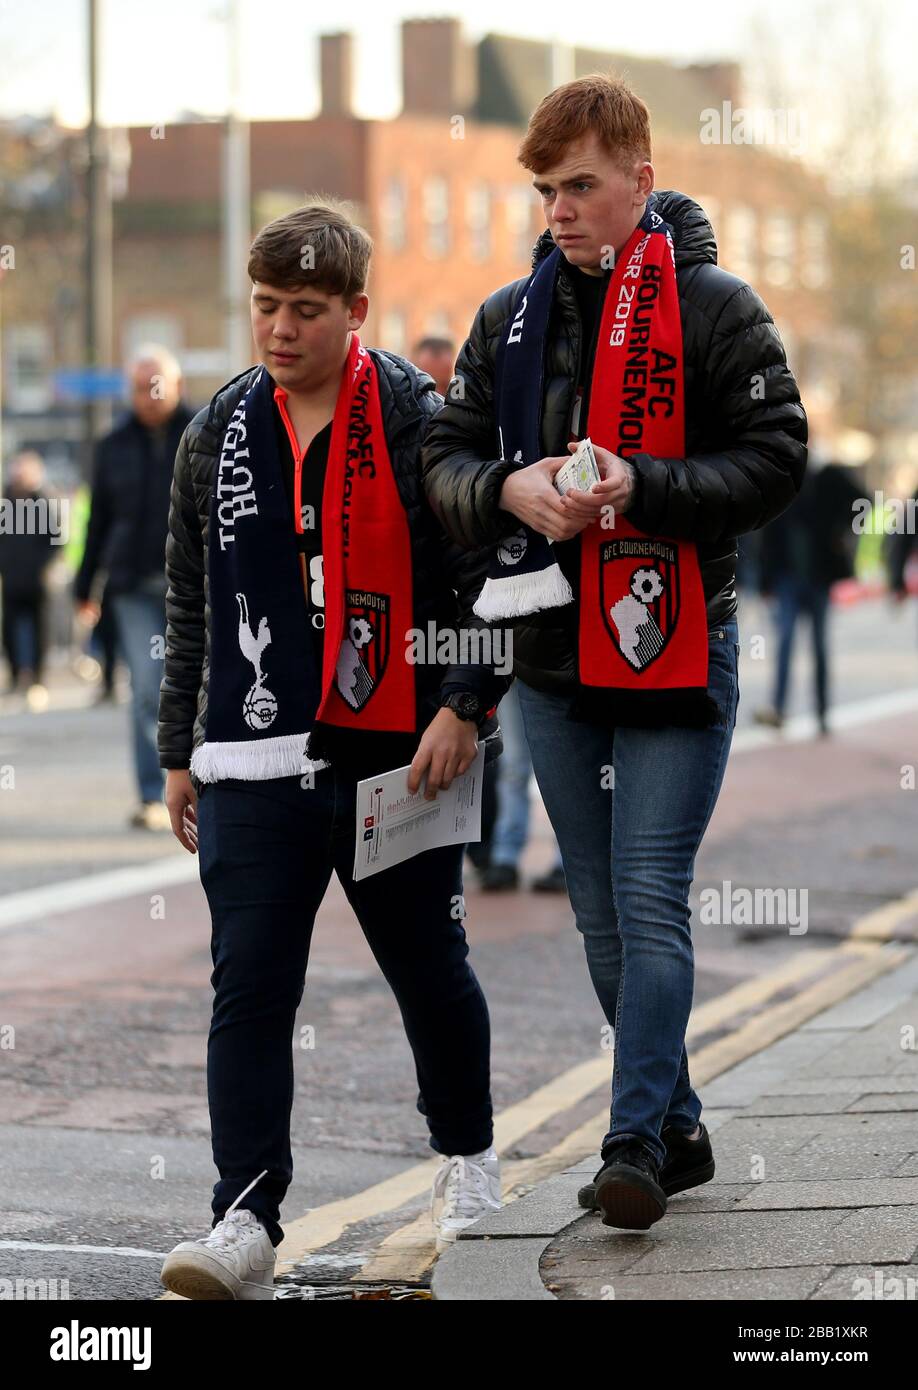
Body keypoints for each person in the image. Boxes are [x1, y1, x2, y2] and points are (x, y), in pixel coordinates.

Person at [422, 74, 807, 1231]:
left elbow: (777, 459)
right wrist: (509, 487)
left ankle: (632, 1137)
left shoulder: (715, 306)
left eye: (580, 185)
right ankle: (678, 1120)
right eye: (544, 190)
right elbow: (440, 462)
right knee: (598, 912)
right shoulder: (509, 318)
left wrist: (648, 486)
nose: (559, 210)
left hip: (676, 644)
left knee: (648, 897)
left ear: (641, 179)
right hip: (548, 658)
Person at [157, 201, 511, 1300]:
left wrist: (467, 702)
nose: (278, 330)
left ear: (355, 311)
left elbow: (486, 575)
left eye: (304, 310)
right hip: (252, 762)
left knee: (427, 971)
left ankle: (469, 1161)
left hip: (394, 750)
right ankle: (244, 1215)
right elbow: (191, 600)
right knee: (250, 989)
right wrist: (179, 750)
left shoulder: (417, 416)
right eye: (264, 307)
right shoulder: (216, 432)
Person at [73, 346, 195, 828]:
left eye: (158, 383)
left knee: (200, 681)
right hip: (131, 586)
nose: (149, 394)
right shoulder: (112, 445)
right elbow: (97, 520)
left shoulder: (204, 431)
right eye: (140, 386)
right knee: (149, 685)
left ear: (178, 386)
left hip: (192, 583)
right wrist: (85, 587)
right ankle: (153, 791)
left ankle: (204, 781)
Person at [753, 457, 863, 735]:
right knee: (786, 642)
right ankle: (778, 709)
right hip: (787, 579)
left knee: (819, 647)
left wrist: (842, 531)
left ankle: (822, 714)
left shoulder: (828, 477)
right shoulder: (781, 479)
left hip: (817, 579)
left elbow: (863, 500)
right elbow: (766, 530)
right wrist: (766, 580)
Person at [0, 450, 55, 706]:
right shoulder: (4, 503)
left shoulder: (42, 502)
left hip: (37, 581)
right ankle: (14, 676)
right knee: (9, 629)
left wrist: (43, 566)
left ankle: (38, 677)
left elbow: (56, 541)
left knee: (40, 630)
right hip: (11, 579)